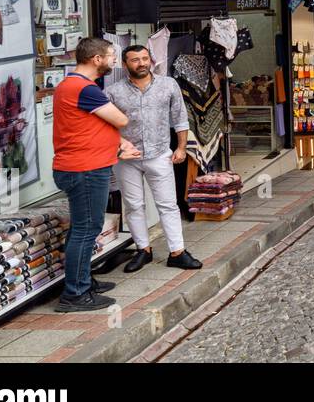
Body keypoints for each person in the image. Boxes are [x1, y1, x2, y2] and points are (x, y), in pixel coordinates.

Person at [52, 38, 138, 312]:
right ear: (95, 59)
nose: (114, 60)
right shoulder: (84, 89)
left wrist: (118, 143)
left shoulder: (72, 86)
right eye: (111, 55)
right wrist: (120, 136)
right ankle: (75, 294)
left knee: (82, 228)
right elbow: (121, 119)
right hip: (85, 169)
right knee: (86, 229)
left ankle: (83, 281)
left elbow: (89, 127)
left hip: (82, 166)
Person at [105, 46, 203, 274]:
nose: (141, 63)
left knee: (168, 205)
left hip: (159, 154)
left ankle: (177, 252)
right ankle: (143, 250)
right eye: (135, 60)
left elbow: (180, 118)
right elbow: (105, 127)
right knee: (133, 205)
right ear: (124, 63)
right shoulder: (113, 92)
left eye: (144, 58)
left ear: (150, 60)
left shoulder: (168, 85)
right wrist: (119, 147)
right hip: (127, 159)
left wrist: (181, 148)